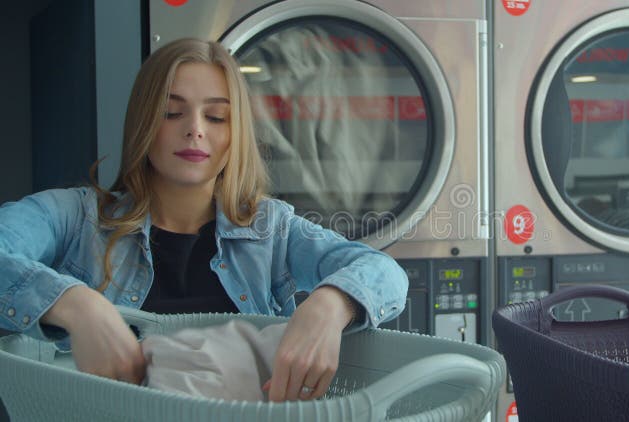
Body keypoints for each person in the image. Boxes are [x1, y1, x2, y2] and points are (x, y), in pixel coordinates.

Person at [0, 38, 408, 402]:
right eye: (172, 113)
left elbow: (383, 272)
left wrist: (329, 305)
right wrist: (75, 304)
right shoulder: (76, 218)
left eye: (216, 118)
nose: (195, 130)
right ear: (144, 123)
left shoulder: (272, 230)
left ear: (237, 134)